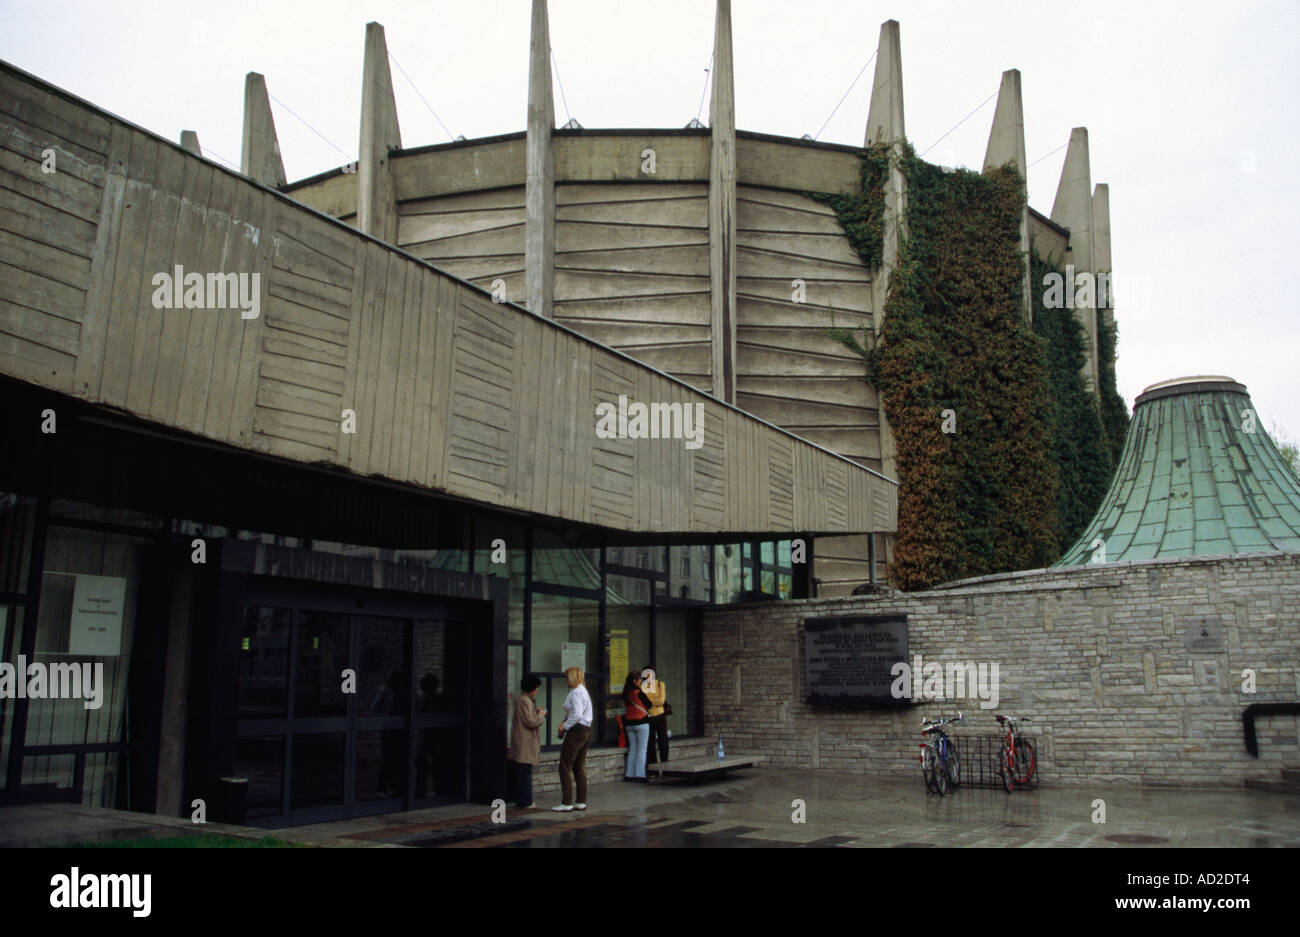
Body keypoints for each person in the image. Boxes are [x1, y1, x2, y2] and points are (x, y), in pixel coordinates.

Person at [553, 666, 592, 812]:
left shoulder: (575, 692)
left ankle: (566, 802)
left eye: (567, 677)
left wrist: (564, 726)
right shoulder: (584, 691)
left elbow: (576, 714)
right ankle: (581, 801)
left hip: (576, 731)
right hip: (586, 730)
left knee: (565, 766)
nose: (566, 680)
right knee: (578, 766)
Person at [508, 675, 546, 809]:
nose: (537, 690)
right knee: (525, 774)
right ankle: (526, 802)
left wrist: (536, 712)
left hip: (524, 743)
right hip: (525, 743)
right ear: (531, 688)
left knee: (523, 773)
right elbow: (531, 722)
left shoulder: (525, 700)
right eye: (536, 688)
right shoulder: (525, 701)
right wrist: (541, 715)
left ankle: (523, 801)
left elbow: (528, 717)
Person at [621, 671, 651, 782]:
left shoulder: (625, 694)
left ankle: (629, 774)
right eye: (640, 680)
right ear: (635, 681)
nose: (641, 682)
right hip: (641, 723)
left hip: (629, 724)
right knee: (642, 750)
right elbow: (649, 705)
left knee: (633, 749)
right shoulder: (639, 693)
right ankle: (640, 774)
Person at [641, 666, 669, 765]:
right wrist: (653, 702)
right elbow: (642, 702)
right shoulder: (643, 687)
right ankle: (653, 769)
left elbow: (661, 700)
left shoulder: (660, 684)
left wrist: (649, 702)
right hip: (648, 716)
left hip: (660, 715)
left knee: (663, 741)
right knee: (650, 743)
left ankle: (665, 765)